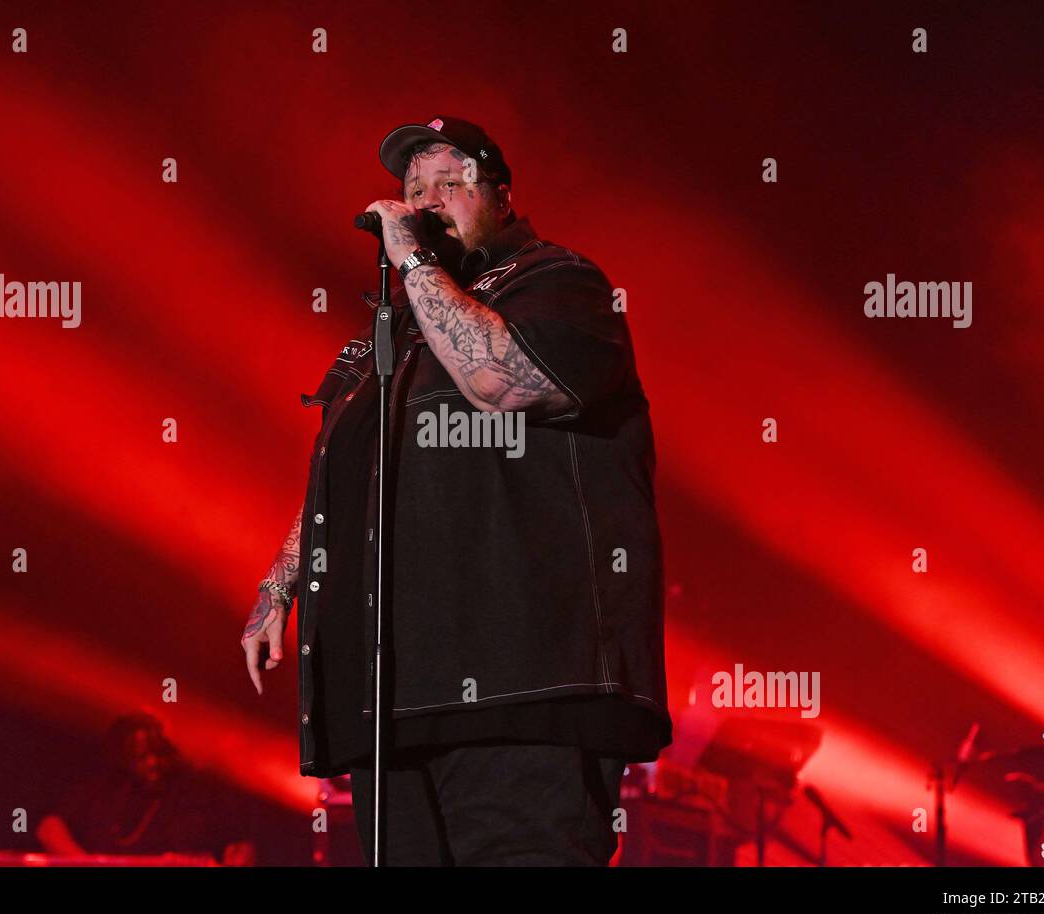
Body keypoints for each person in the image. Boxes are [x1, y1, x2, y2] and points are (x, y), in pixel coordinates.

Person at [242, 116, 671, 865]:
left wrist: (409, 255)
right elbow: (347, 475)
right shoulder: (396, 335)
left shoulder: (558, 281)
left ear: (501, 197)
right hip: (396, 702)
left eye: (451, 182)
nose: (427, 200)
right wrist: (279, 587)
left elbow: (503, 383)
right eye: (412, 189)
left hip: (526, 688)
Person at [37, 712, 256, 865]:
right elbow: (49, 829)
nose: (153, 762)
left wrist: (240, 855)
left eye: (159, 754)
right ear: (124, 758)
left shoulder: (194, 796)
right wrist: (88, 865)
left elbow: (238, 843)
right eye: (142, 756)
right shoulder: (102, 791)